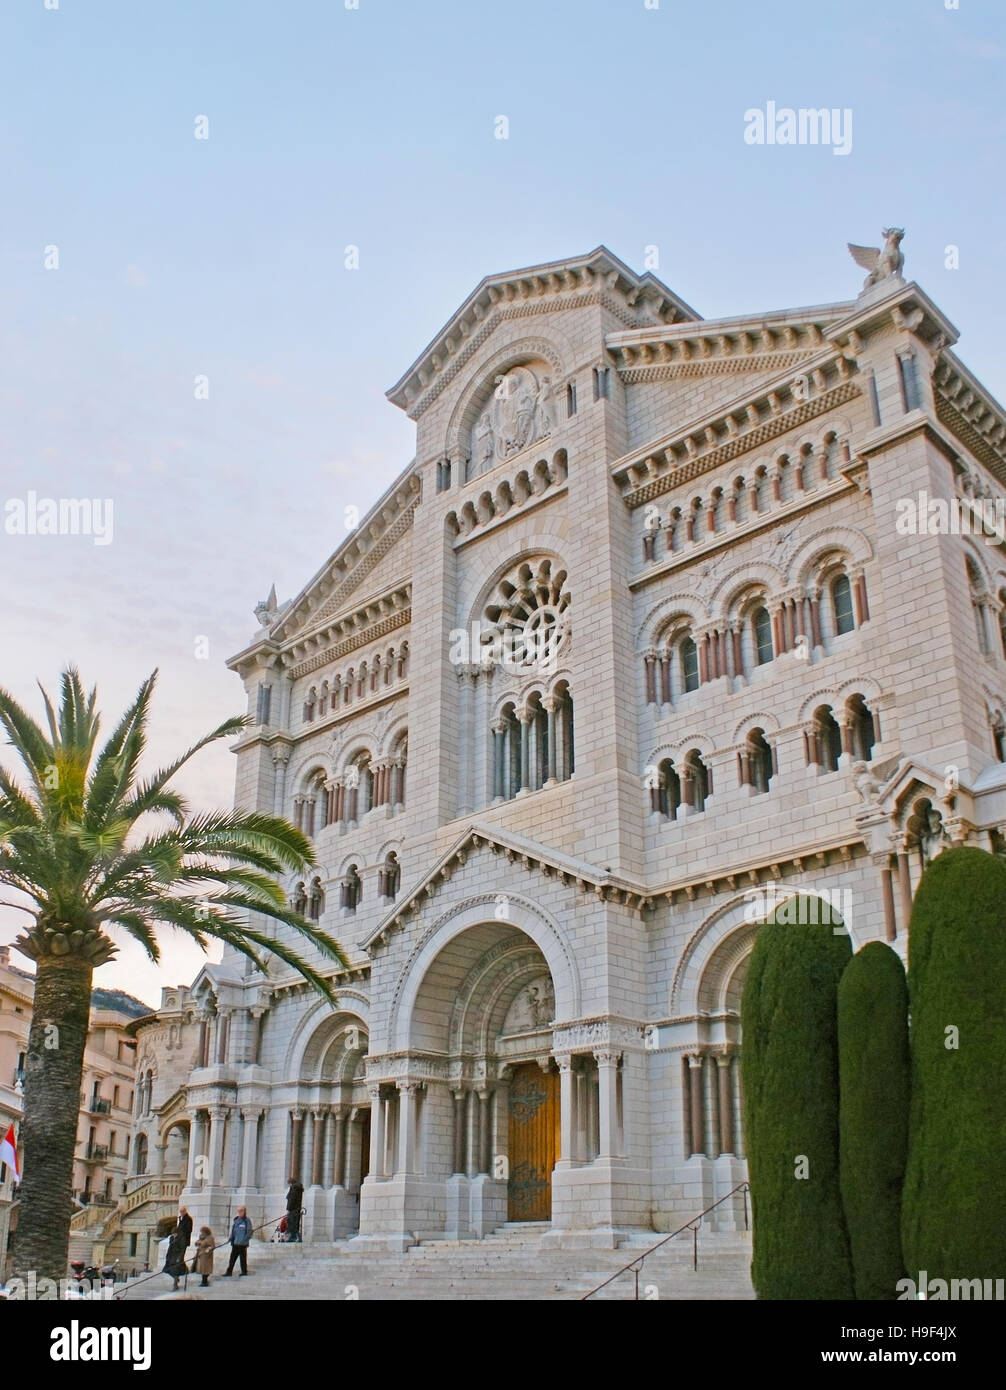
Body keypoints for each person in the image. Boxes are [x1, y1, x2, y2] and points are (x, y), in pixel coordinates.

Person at [223, 1207, 253, 1276]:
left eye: (241, 1211)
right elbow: (233, 1231)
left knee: (243, 1259)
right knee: (232, 1258)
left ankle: (244, 1271)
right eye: (239, 1211)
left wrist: (244, 1240)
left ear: (244, 1212)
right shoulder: (236, 1220)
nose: (239, 1213)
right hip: (235, 1243)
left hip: (242, 1244)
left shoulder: (247, 1220)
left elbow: (249, 1232)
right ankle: (229, 1271)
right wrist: (230, 1238)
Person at [163, 1227, 188, 1292]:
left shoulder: (182, 1238)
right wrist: (168, 1256)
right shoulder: (172, 1238)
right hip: (171, 1256)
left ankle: (175, 1285)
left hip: (177, 1256)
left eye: (175, 1234)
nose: (174, 1235)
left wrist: (180, 1257)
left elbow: (183, 1249)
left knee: (176, 1270)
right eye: (173, 1234)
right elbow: (170, 1247)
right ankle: (176, 1279)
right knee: (167, 1269)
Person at [285, 1176, 304, 1243]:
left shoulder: (294, 1188)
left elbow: (291, 1200)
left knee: (292, 1224)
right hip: (297, 1209)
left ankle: (294, 1237)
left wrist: (288, 1209)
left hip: (293, 1210)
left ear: (291, 1182)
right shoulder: (298, 1188)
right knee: (295, 1224)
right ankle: (296, 1237)